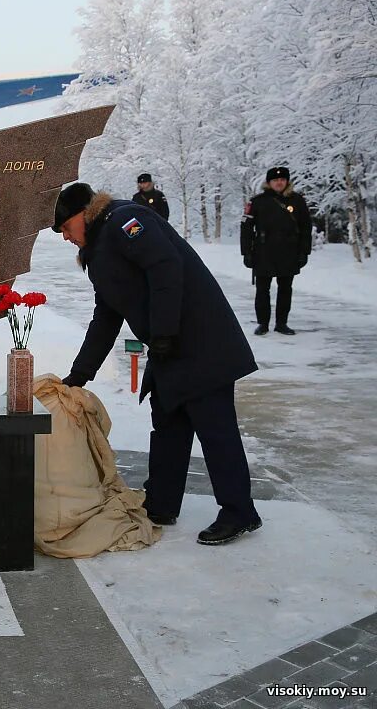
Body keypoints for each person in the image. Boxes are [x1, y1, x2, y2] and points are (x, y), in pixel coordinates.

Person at [53, 182, 262, 545]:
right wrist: (79, 374)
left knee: (215, 429)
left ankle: (240, 512)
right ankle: (162, 503)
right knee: (167, 421)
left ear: (82, 214)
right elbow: (106, 317)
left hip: (200, 341)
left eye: (66, 229)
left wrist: (163, 331)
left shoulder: (126, 221)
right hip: (170, 348)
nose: (66, 238)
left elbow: (164, 265)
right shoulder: (101, 251)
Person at [241, 166, 312, 335]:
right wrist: (247, 253)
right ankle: (263, 323)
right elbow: (246, 228)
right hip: (263, 252)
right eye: (275, 180)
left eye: (282, 180)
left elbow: (306, 228)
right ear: (269, 182)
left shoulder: (297, 201)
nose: (279, 183)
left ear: (287, 181)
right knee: (262, 290)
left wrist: (304, 252)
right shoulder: (257, 202)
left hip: (289, 252)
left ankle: (282, 323)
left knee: (285, 289)